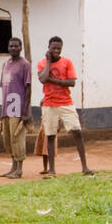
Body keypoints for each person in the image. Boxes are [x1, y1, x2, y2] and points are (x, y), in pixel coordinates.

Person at [37, 36, 93, 176]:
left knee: (77, 132)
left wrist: (51, 79)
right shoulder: (42, 63)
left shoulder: (67, 62)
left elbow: (71, 82)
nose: (56, 51)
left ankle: (85, 167)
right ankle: (52, 170)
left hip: (66, 102)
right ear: (48, 48)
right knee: (50, 135)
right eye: (53, 48)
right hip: (49, 103)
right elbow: (42, 79)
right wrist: (49, 62)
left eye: (59, 49)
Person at [0, 36, 31, 178]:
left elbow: (28, 87)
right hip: (7, 105)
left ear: (21, 47)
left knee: (16, 137)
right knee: (7, 138)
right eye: (11, 46)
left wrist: (26, 110)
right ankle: (12, 167)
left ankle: (19, 169)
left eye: (16, 46)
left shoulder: (25, 64)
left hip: (18, 106)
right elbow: (4, 86)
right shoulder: (5, 64)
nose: (13, 48)